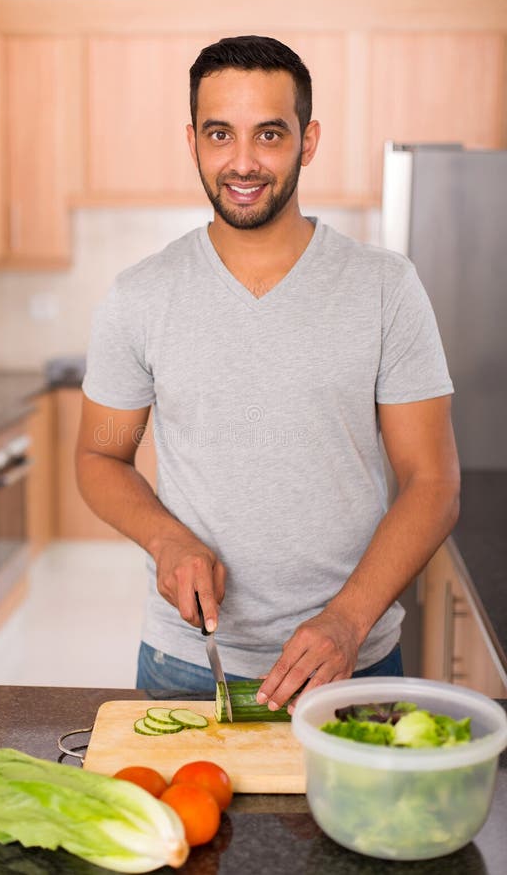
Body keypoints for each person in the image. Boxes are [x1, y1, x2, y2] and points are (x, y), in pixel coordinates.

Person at [76, 35, 460, 714]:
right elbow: (100, 454)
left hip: (355, 660)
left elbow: (433, 482)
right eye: (220, 134)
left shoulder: (384, 288)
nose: (244, 162)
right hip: (188, 666)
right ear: (192, 139)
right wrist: (167, 540)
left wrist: (347, 619)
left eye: (270, 134)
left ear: (308, 142)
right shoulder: (139, 296)